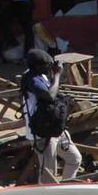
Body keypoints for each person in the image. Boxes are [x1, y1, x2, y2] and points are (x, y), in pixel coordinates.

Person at [22, 49, 82, 183]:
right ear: (37, 66)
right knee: (48, 175)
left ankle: (65, 190)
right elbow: (49, 96)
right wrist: (57, 75)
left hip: (54, 128)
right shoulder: (32, 79)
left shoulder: (41, 75)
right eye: (46, 65)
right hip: (41, 134)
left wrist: (52, 72)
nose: (49, 67)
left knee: (74, 159)